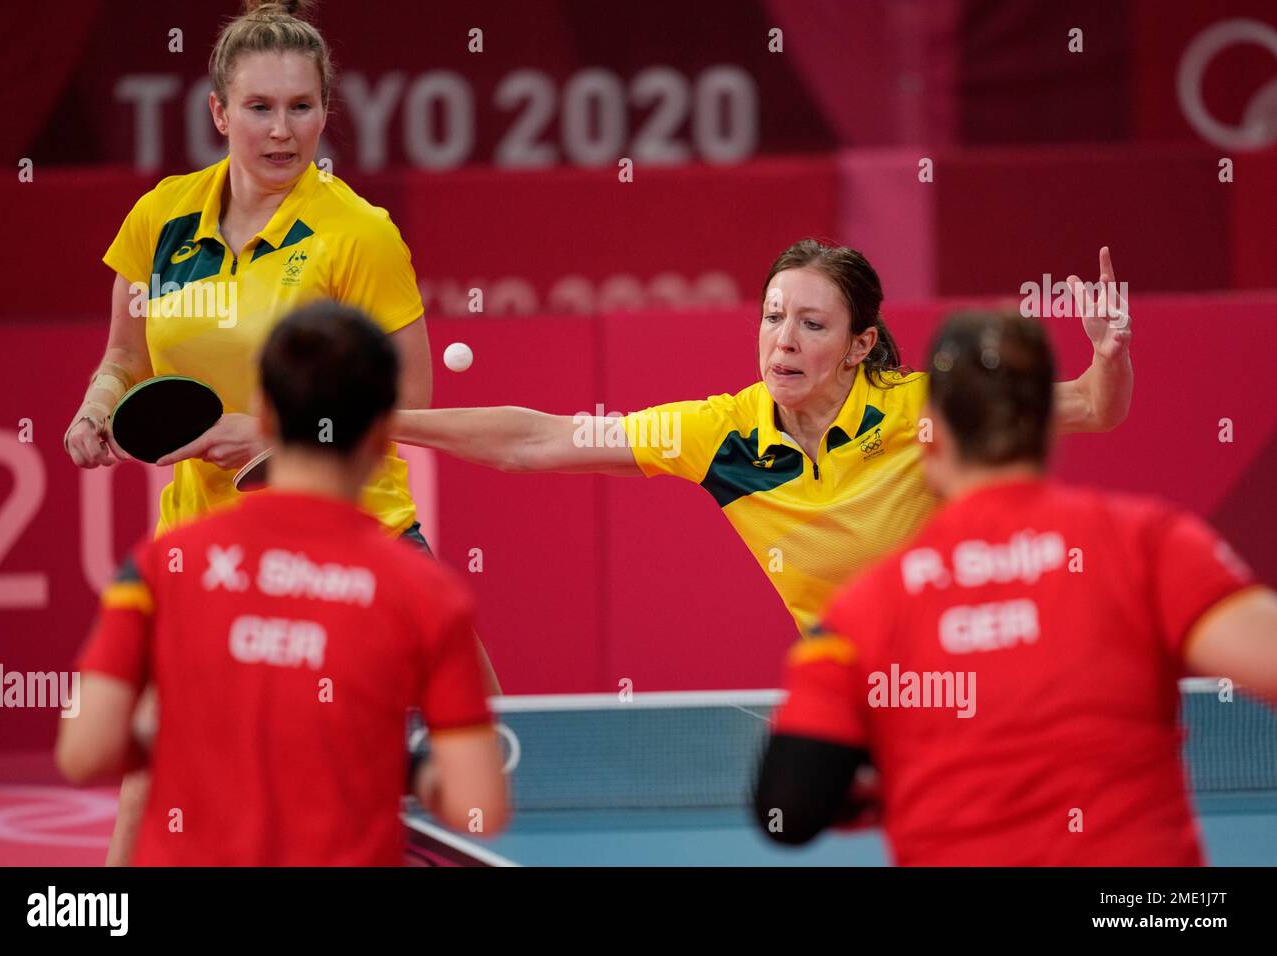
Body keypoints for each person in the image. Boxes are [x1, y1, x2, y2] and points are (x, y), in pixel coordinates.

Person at [60, 0, 498, 863]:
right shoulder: (161, 217)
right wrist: (93, 406)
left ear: (327, 112)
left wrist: (265, 434)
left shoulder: (359, 234)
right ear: (219, 111)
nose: (281, 130)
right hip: (204, 534)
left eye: (302, 107)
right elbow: (123, 358)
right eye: (259, 108)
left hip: (357, 521)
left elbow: (408, 394)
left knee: (493, 726)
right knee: (154, 757)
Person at [387, 239, 1134, 636]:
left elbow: (1096, 411)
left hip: (963, 655)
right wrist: (372, 421)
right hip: (848, 681)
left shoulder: (918, 408)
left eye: (812, 325)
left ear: (858, 344)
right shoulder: (721, 433)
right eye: (774, 316)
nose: (784, 340)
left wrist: (1109, 353)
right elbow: (537, 440)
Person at [754, 310, 1277, 866]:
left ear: (930, 438)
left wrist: (880, 790)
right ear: (1047, 426)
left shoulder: (866, 607)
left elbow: (788, 809)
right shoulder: (1147, 543)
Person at [56, 302, 508, 866]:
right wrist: (390, 762)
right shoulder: (424, 593)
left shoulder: (161, 568)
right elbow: (480, 802)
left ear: (263, 415)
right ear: (382, 431)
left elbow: (84, 750)